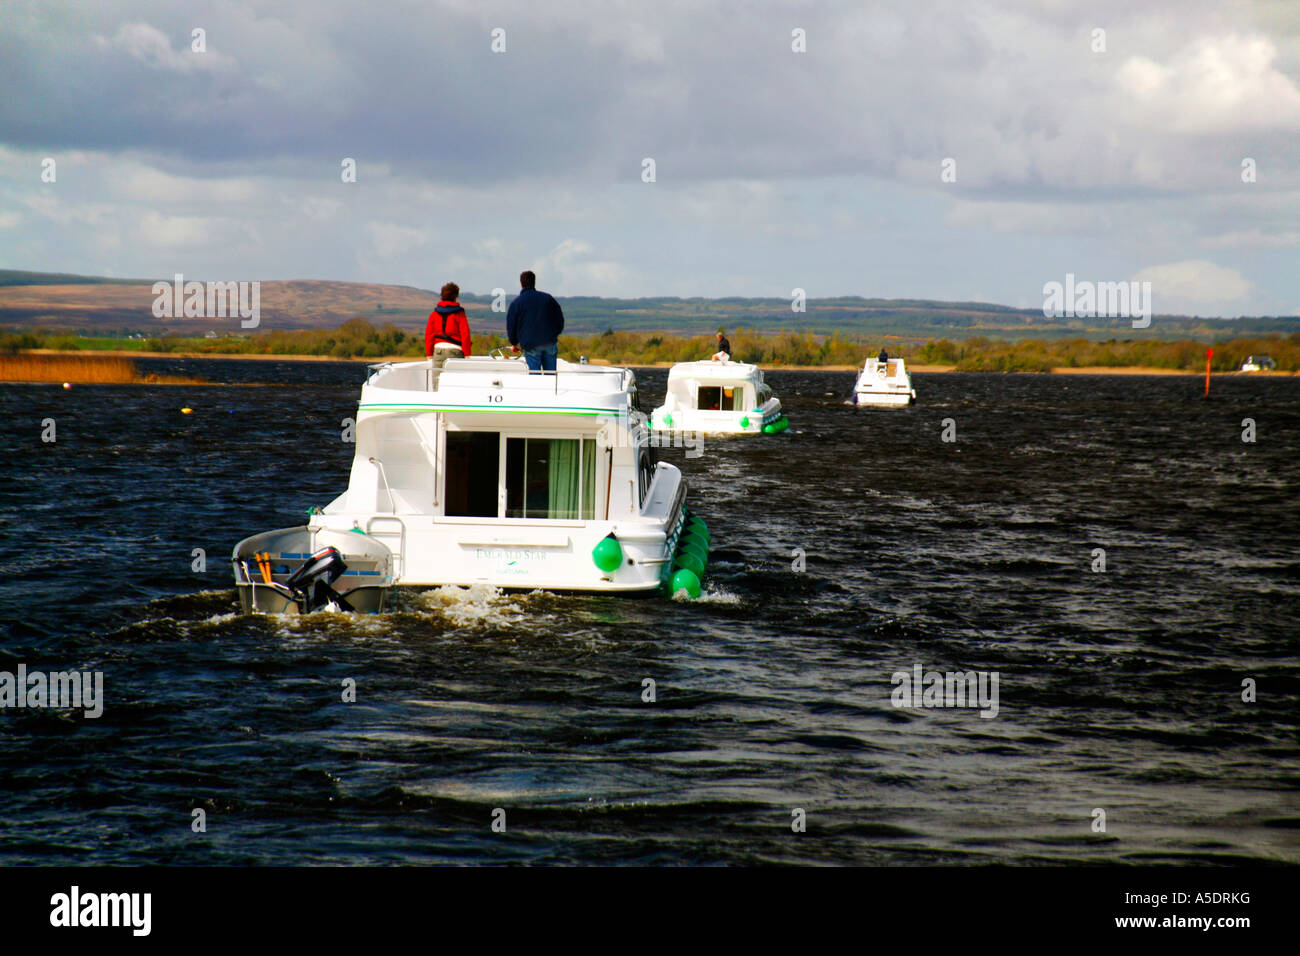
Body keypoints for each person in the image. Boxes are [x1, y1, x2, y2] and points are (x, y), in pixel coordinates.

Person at [506, 270, 565, 373]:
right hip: (550, 343)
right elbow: (560, 319)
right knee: (551, 377)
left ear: (521, 284)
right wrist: (554, 334)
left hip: (530, 345)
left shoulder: (516, 303)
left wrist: (514, 343)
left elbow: (511, 326)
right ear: (534, 282)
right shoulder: (548, 299)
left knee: (535, 379)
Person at [425, 282, 473, 367]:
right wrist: (467, 354)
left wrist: (429, 354)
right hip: (455, 351)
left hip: (438, 351)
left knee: (437, 379)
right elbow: (465, 334)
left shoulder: (434, 314)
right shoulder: (459, 314)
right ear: (455, 296)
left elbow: (429, 335)